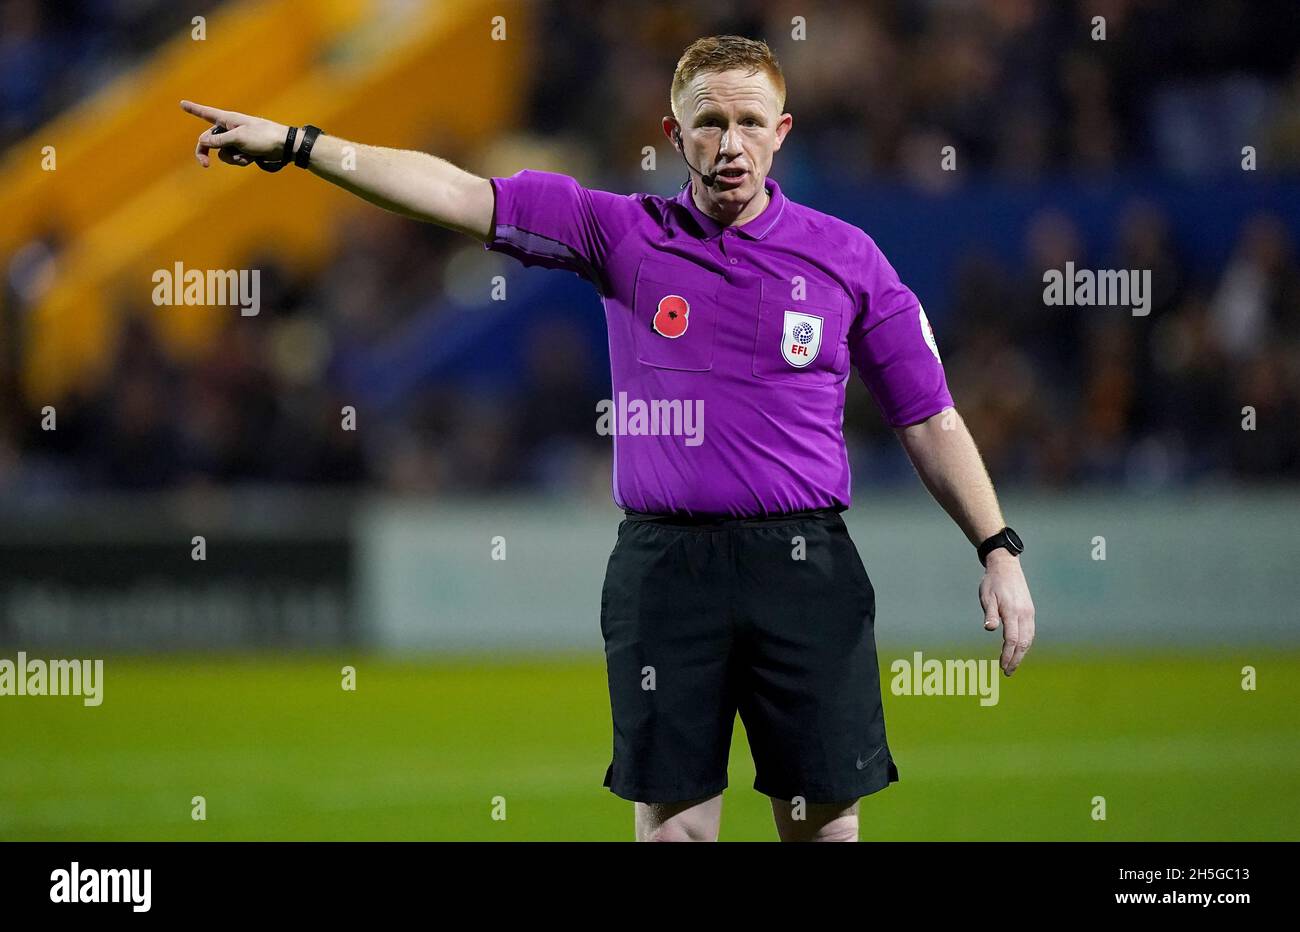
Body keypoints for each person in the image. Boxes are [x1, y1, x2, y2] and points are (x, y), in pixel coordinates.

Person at [182, 34, 1035, 842]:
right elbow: (454, 192)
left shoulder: (849, 259)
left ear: (781, 133)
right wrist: (301, 143)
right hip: (666, 572)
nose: (728, 142)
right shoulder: (619, 233)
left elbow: (931, 417)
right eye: (708, 121)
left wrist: (997, 546)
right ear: (674, 133)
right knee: (675, 826)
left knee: (825, 824)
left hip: (805, 569)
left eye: (747, 122)